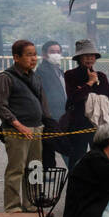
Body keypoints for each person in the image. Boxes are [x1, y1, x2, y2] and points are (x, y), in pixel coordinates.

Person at [0, 39, 51, 212]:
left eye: (35, 54)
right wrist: (18, 125)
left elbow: (43, 104)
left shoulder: (35, 77)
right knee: (16, 169)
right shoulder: (6, 77)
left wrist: (46, 123)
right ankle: (12, 207)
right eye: (29, 55)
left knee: (35, 168)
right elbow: (1, 106)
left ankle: (32, 203)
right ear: (16, 57)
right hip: (17, 131)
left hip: (36, 128)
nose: (34, 59)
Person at [62, 39, 109, 162]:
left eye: (92, 56)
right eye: (86, 56)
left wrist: (84, 92)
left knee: (100, 158)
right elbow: (73, 98)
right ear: (79, 57)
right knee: (76, 158)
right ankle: (75, 181)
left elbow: (107, 99)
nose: (89, 59)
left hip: (97, 124)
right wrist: (90, 83)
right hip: (77, 123)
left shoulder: (101, 76)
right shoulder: (70, 75)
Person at [36, 41, 67, 169]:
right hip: (51, 114)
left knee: (58, 143)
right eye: (52, 52)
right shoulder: (42, 71)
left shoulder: (59, 70)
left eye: (58, 52)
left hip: (62, 113)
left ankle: (53, 170)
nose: (56, 54)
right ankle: (50, 171)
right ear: (44, 54)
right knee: (52, 145)